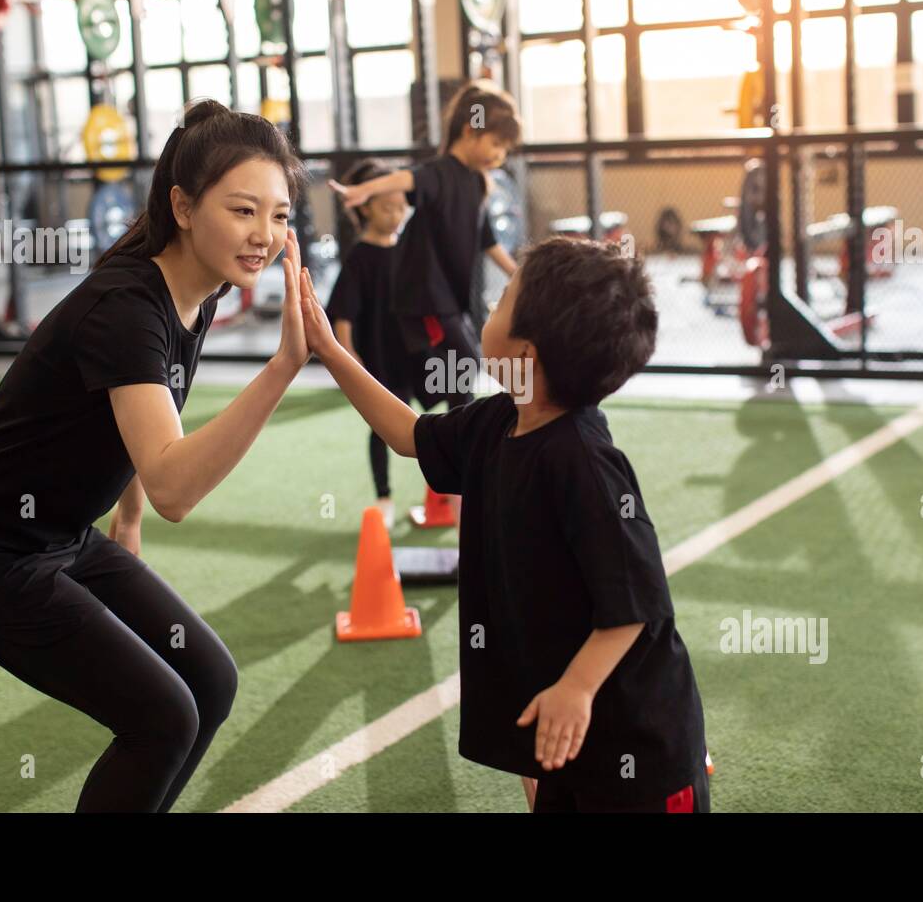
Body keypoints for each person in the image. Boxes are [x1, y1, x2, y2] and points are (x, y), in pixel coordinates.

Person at [0, 98, 311, 812]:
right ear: (182, 206)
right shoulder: (127, 307)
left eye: (278, 216)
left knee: (208, 682)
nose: (264, 237)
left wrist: (129, 524)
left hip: (54, 534)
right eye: (243, 211)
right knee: (162, 717)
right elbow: (177, 483)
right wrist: (282, 368)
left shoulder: (197, 292)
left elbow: (150, 417)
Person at [297, 236, 711, 813]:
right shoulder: (502, 417)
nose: (487, 307)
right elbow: (410, 435)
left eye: (503, 300)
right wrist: (329, 348)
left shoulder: (584, 463)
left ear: (528, 352)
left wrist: (577, 688)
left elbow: (638, 604)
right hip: (567, 741)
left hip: (637, 751)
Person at [330, 79, 522, 411]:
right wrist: (366, 190)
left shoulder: (478, 184)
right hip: (426, 299)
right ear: (470, 131)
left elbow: (488, 241)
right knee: (466, 360)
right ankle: (457, 432)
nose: (500, 155)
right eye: (496, 144)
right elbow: (408, 178)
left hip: (449, 299)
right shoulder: (441, 172)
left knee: (457, 372)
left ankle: (448, 424)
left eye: (505, 149)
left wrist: (521, 275)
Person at [324, 158, 416, 528]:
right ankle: (384, 496)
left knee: (430, 421)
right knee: (385, 428)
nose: (396, 215)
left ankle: (445, 491)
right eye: (387, 207)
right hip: (380, 360)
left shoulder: (408, 251)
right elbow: (342, 316)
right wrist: (351, 362)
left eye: (400, 207)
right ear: (365, 208)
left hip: (414, 355)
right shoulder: (360, 258)